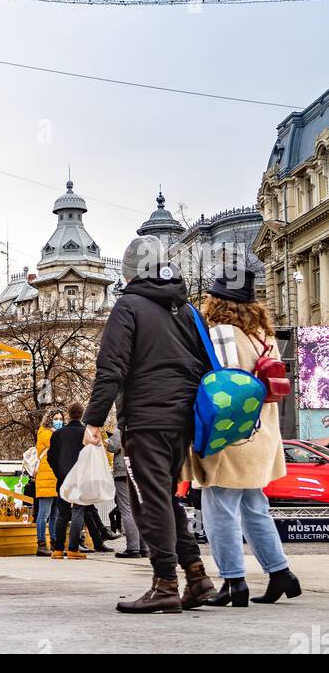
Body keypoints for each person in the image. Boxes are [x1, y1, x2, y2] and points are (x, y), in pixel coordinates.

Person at [83, 235, 215, 613]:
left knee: (147, 501)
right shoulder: (187, 310)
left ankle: (165, 584)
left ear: (130, 271)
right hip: (183, 420)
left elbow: (111, 368)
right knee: (165, 498)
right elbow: (204, 365)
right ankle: (196, 575)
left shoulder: (129, 307)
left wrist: (93, 421)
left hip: (145, 419)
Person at [189, 264, 301, 608]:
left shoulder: (223, 331)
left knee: (218, 508)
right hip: (263, 433)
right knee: (255, 507)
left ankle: (233, 582)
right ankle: (281, 573)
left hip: (231, 434)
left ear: (219, 301)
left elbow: (221, 382)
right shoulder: (263, 335)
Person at [48, 401, 89, 559]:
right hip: (80, 478)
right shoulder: (85, 433)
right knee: (78, 510)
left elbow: (51, 457)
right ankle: (73, 548)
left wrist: (59, 472)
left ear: (68, 414)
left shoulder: (57, 434)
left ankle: (58, 549)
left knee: (61, 513)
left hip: (63, 478)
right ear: (82, 414)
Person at [108, 427, 146, 559]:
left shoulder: (124, 423)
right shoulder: (145, 422)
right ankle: (144, 547)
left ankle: (133, 548)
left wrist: (107, 440)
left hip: (124, 470)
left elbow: (114, 446)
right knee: (140, 509)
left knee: (127, 509)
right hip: (142, 470)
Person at [34, 418, 58, 555]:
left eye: (61, 419)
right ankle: (41, 544)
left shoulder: (54, 433)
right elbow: (60, 445)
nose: (58, 421)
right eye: (55, 419)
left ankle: (54, 543)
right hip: (46, 479)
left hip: (54, 478)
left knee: (54, 514)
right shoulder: (45, 433)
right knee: (44, 513)